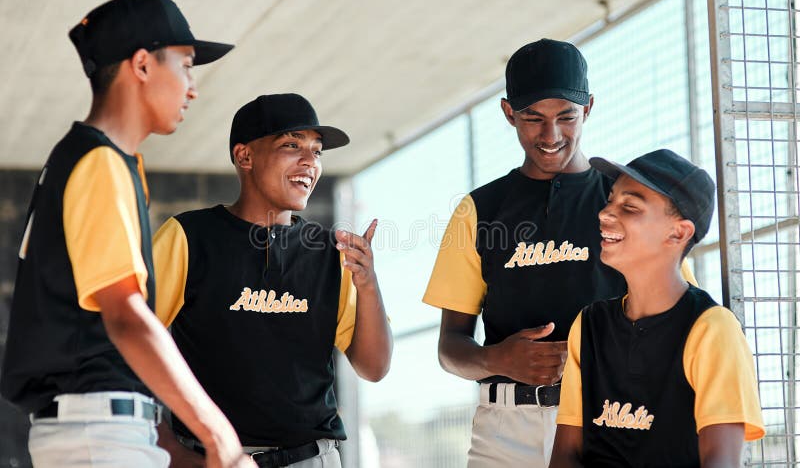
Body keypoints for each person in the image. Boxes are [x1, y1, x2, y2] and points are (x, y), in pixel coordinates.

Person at [0, 0, 255, 468]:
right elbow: (126, 316)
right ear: (142, 64)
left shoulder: (95, 159)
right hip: (98, 432)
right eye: (186, 65)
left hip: (99, 430)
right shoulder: (99, 162)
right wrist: (219, 434)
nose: (193, 87)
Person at [422, 39, 696, 467]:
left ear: (588, 109)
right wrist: (498, 359)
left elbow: (683, 321)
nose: (550, 135)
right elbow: (449, 347)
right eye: (533, 118)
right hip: (504, 430)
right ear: (509, 112)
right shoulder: (479, 210)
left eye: (565, 117)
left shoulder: (630, 202)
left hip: (612, 418)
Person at [151, 93, 393, 467]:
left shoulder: (330, 252)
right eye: (291, 145)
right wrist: (171, 448)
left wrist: (369, 284)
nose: (309, 161)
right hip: (213, 460)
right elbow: (131, 346)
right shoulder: (188, 236)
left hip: (314, 458)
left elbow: (374, 367)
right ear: (244, 156)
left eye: (317, 151)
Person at [549, 149, 764, 467]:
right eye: (610, 200)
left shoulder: (711, 328)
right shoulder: (589, 325)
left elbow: (721, 462)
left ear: (678, 232)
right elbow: (566, 456)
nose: (605, 213)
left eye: (630, 207)